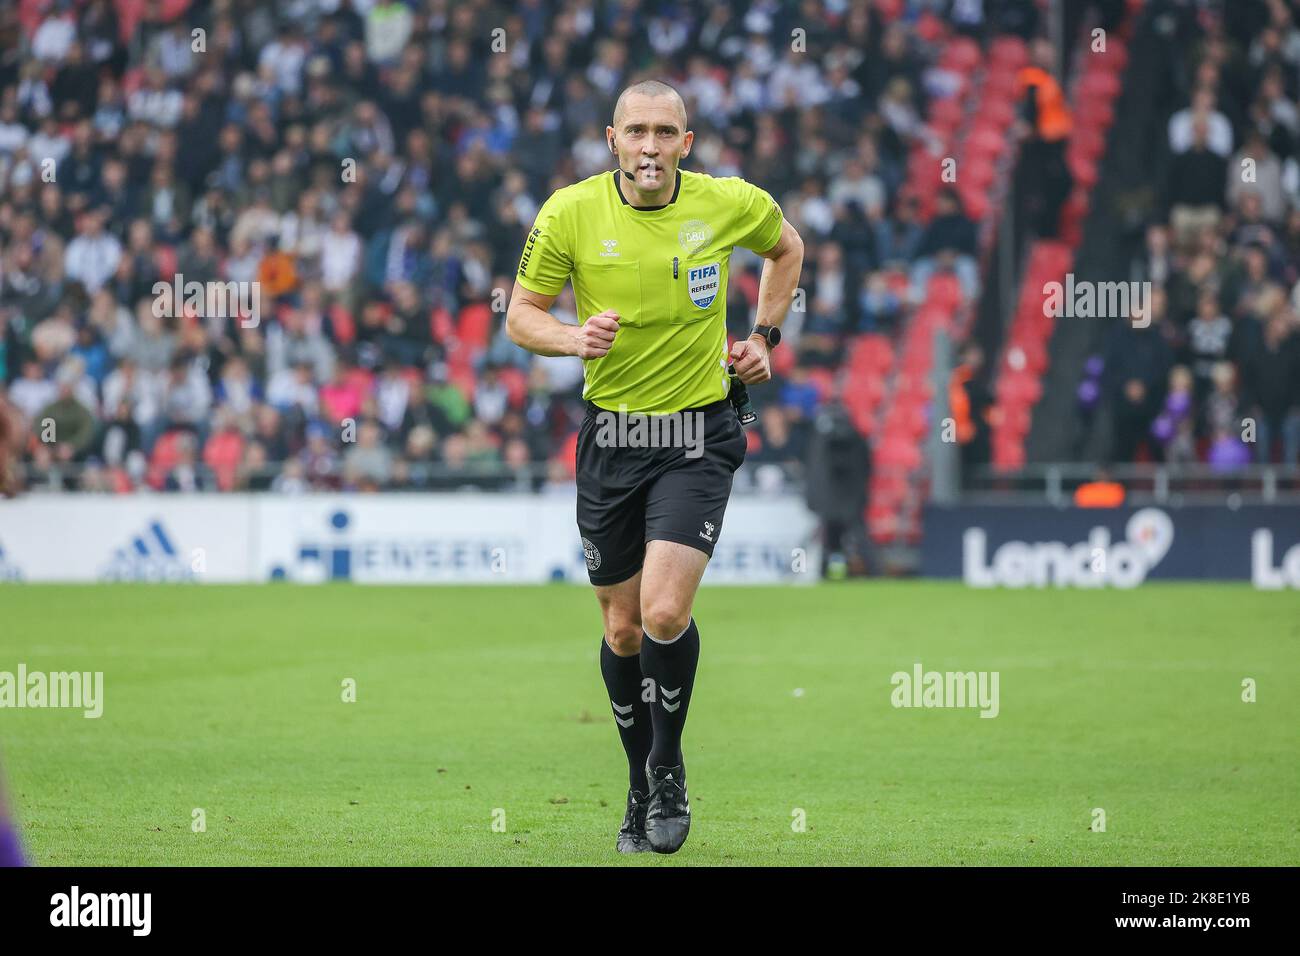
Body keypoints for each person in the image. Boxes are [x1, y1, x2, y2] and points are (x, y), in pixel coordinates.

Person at [505, 80, 804, 854]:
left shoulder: (727, 202)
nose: (649, 145)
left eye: (664, 132)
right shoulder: (568, 212)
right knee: (623, 627)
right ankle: (637, 784)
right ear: (612, 139)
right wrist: (574, 339)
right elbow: (520, 315)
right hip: (613, 439)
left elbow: (787, 247)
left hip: (698, 433)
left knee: (665, 612)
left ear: (686, 142)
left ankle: (667, 768)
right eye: (635, 130)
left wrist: (765, 336)